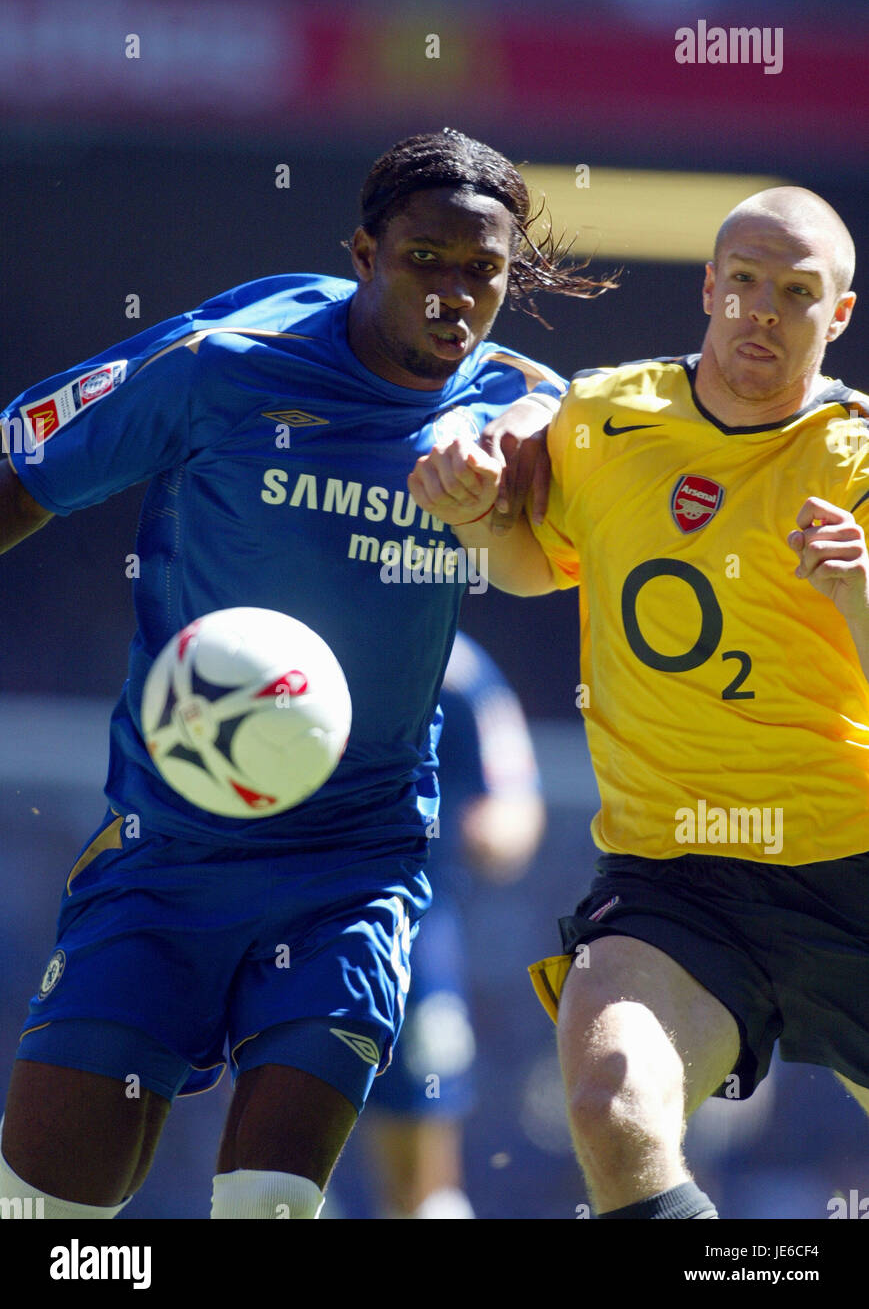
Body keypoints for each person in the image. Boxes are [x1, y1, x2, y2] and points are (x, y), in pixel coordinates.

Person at [0, 129, 613, 1220]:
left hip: (350, 872)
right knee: (54, 1218)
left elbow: (591, 451)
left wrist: (523, 443)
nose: (452, 297)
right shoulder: (221, 366)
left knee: (269, 1203)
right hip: (165, 854)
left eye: (482, 273)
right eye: (425, 259)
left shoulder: (520, 416)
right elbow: (23, 473)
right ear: (363, 251)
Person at [409, 185, 869, 1220]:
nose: (759, 309)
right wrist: (476, 519)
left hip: (848, 863)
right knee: (611, 1103)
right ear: (707, 286)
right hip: (674, 874)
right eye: (742, 281)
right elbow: (536, 564)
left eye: (794, 292)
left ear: (835, 317)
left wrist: (854, 589)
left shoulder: (855, 456)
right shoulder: (607, 416)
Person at [361, 629, 544, 1219]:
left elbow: (514, 808)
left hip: (409, 942)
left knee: (418, 1173)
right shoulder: (287, 640)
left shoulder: (457, 668)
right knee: (268, 1159)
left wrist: (494, 827)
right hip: (282, 923)